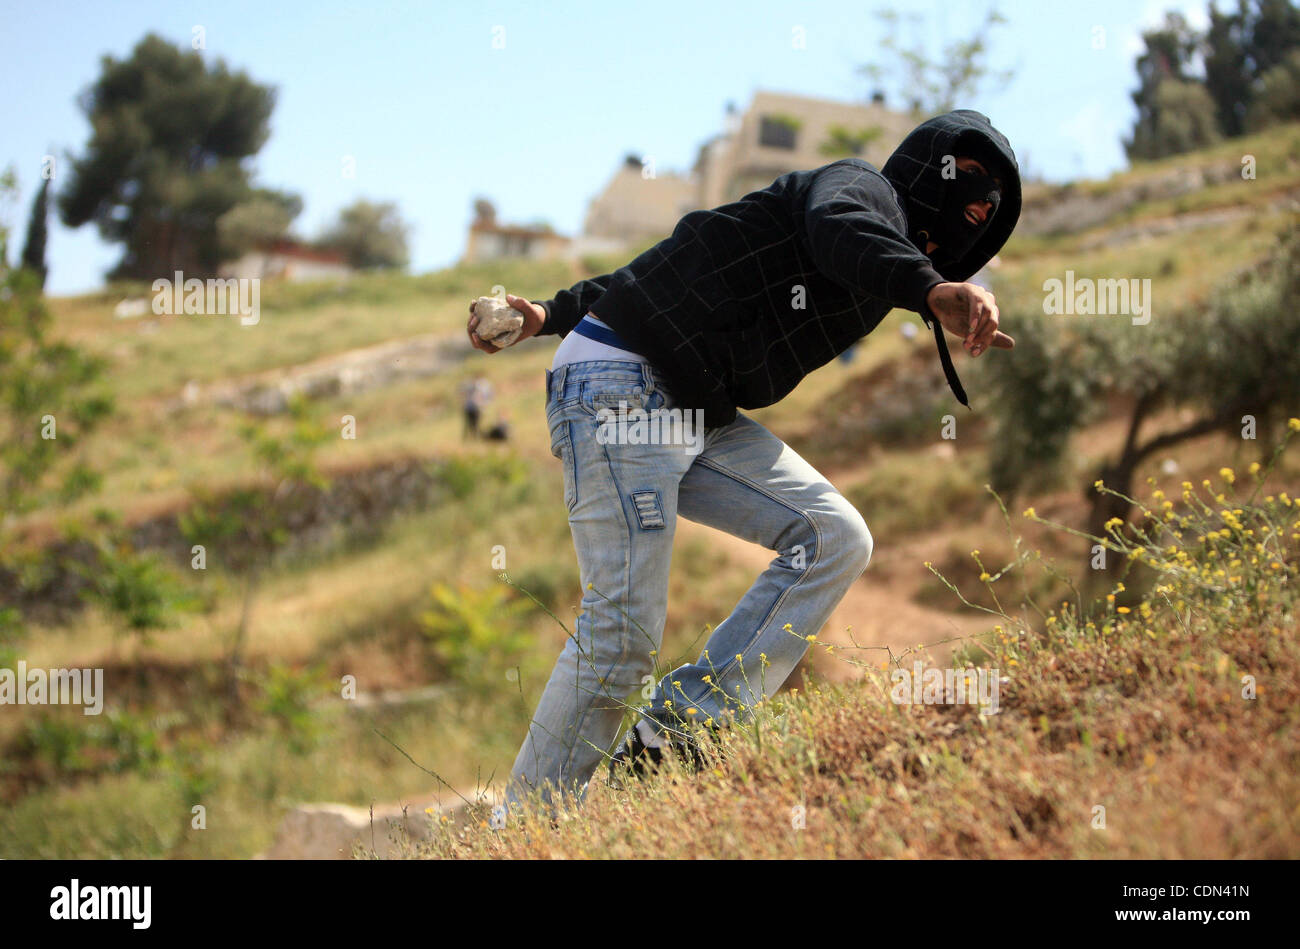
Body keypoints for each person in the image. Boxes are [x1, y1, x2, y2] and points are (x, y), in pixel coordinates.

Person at [466, 110, 1020, 813]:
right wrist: (929, 288)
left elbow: (674, 266)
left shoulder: (880, 261)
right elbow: (844, 226)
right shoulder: (858, 191)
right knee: (623, 635)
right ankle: (525, 831)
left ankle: (681, 729)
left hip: (696, 405)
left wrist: (550, 311)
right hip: (622, 385)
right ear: (925, 164)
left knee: (835, 535)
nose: (978, 204)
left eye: (992, 202)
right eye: (968, 178)